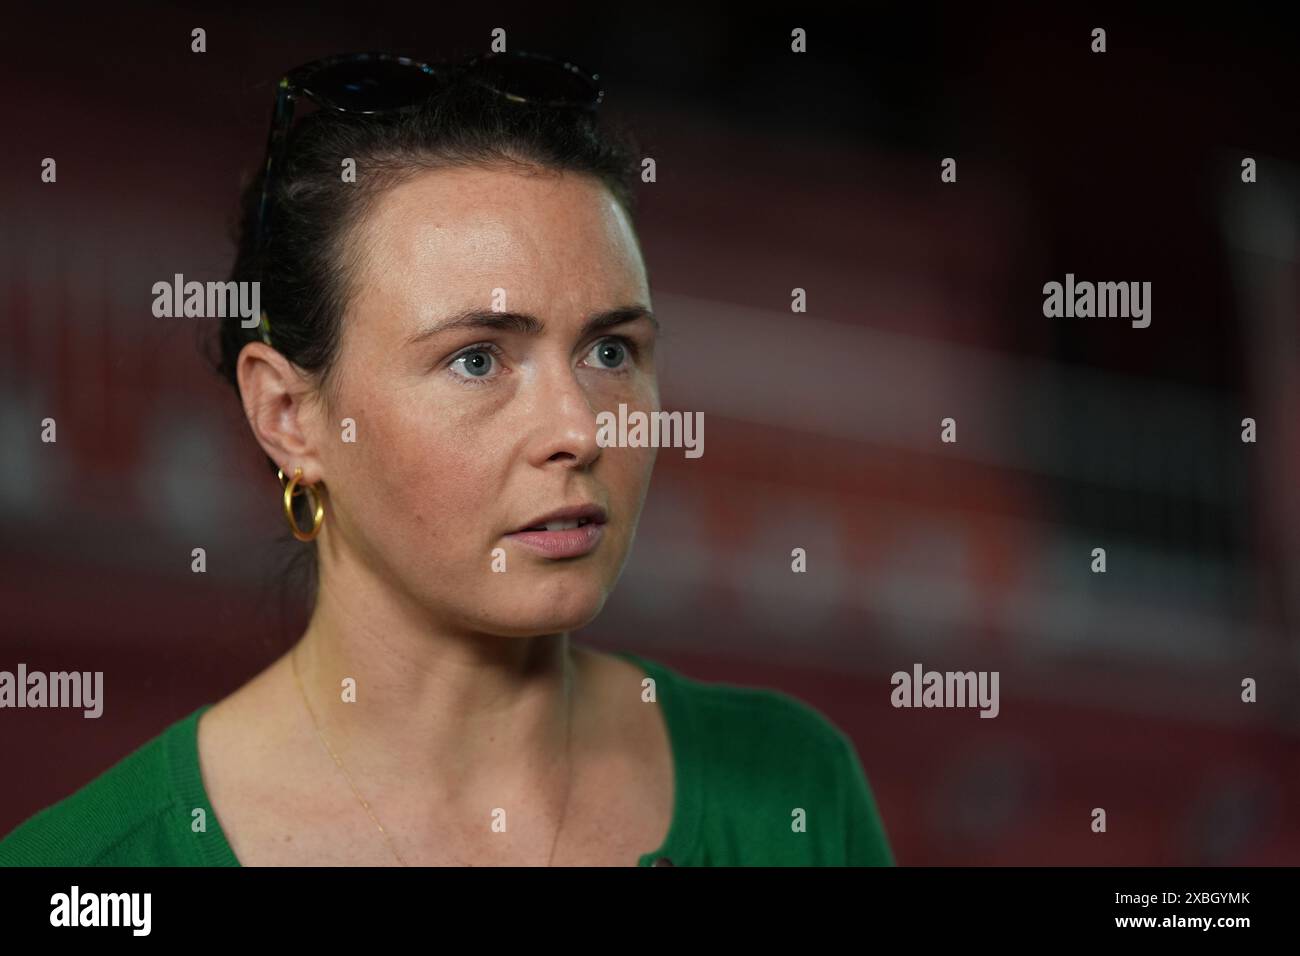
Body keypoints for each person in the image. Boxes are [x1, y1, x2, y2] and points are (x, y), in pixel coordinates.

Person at [0, 51, 893, 867]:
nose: (581, 431)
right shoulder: (92, 871)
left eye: (611, 351)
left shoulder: (794, 791)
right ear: (287, 415)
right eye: (477, 359)